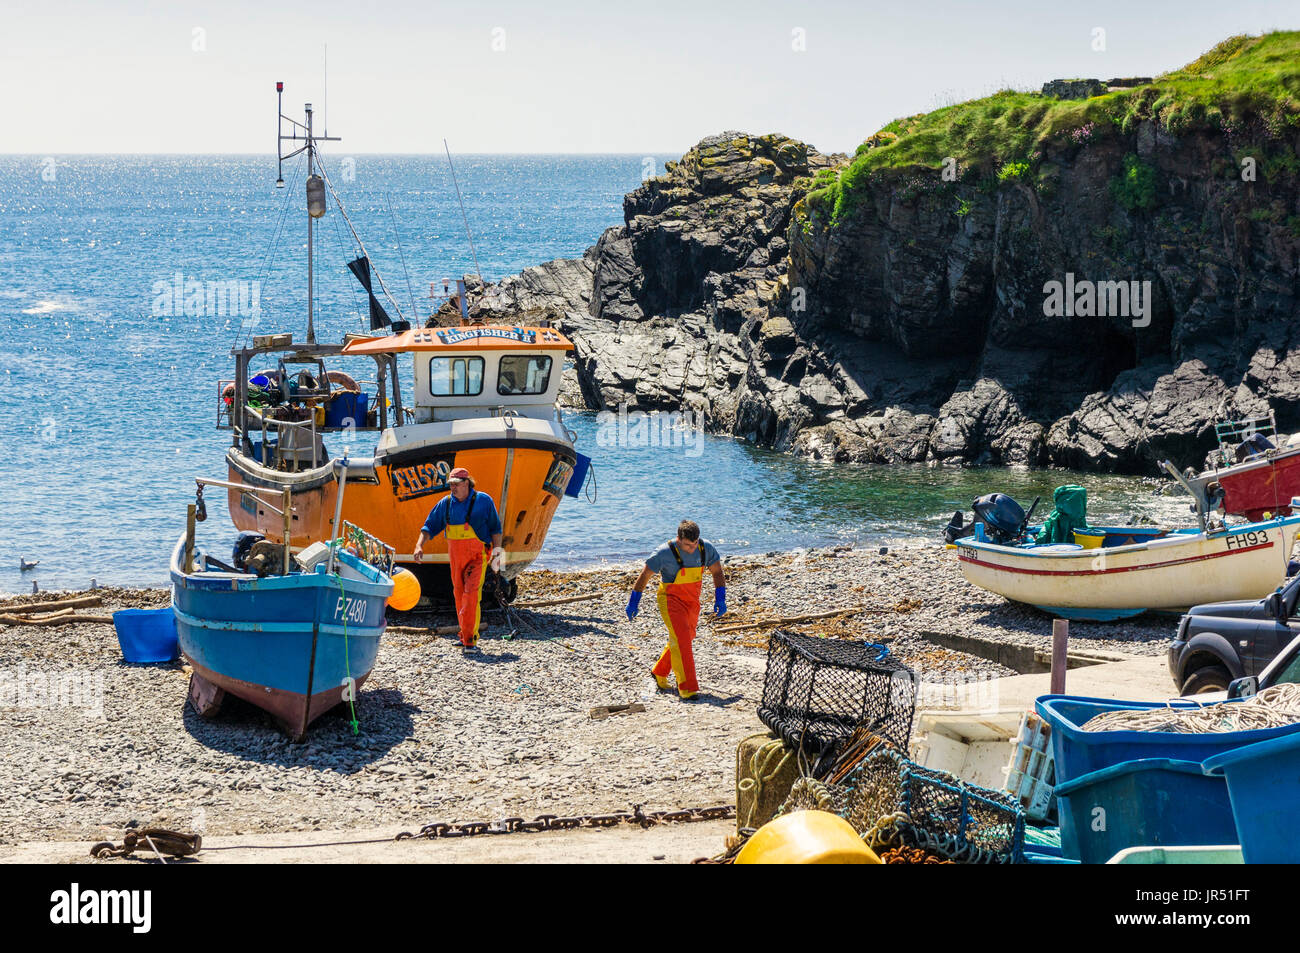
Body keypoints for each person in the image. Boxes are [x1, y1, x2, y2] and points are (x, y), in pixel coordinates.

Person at [626, 520, 726, 699]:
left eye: (695, 543)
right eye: (688, 544)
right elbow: (645, 575)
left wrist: (720, 597)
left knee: (687, 636)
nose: (693, 547)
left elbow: (717, 572)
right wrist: (634, 601)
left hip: (692, 601)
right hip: (670, 600)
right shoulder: (663, 553)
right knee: (682, 640)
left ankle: (659, 671)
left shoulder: (705, 548)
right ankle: (687, 688)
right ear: (679, 539)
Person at [413, 467, 504, 652]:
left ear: (466, 483)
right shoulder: (446, 503)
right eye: (450, 485)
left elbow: (496, 529)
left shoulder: (483, 501)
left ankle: (471, 640)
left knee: (471, 595)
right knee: (459, 594)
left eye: (455, 484)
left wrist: (497, 555)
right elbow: (429, 526)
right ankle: (464, 635)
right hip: (457, 559)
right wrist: (419, 545)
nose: (452, 488)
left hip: (479, 557)